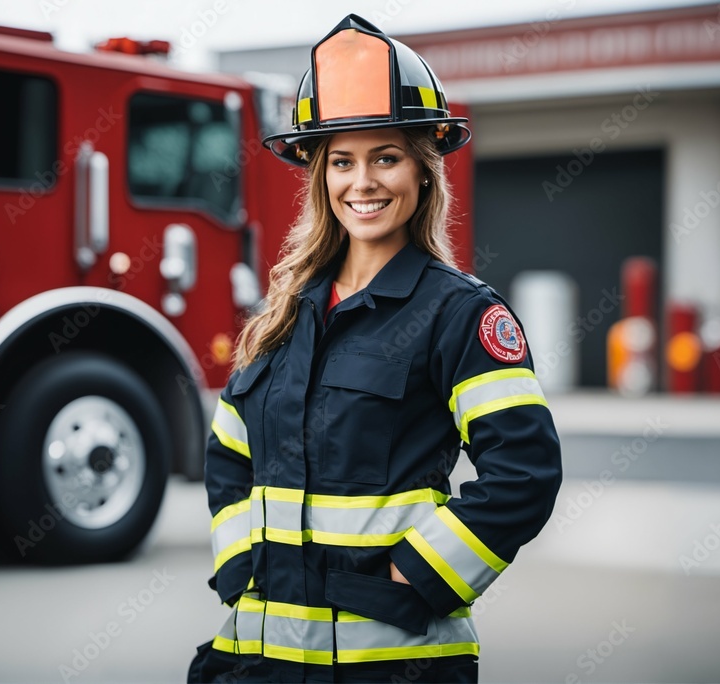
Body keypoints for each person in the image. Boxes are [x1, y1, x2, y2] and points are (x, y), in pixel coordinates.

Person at [190, 14, 562, 684]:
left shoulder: (459, 314)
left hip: (392, 664)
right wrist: (241, 568)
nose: (362, 182)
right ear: (320, 179)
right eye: (342, 161)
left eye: (385, 157)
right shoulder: (285, 311)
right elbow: (228, 449)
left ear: (423, 173)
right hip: (260, 663)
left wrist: (414, 576)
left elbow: (524, 476)